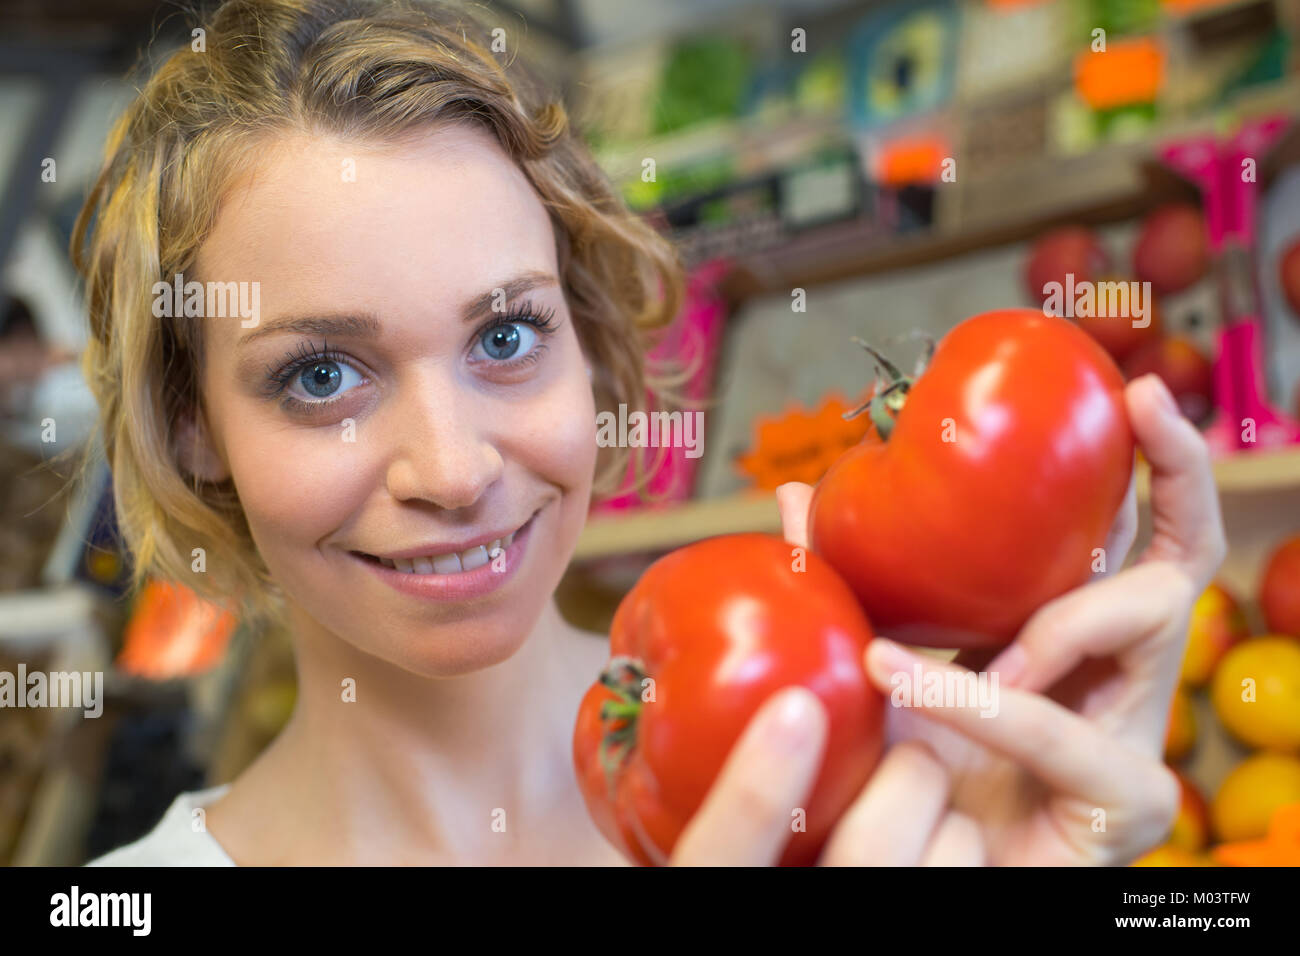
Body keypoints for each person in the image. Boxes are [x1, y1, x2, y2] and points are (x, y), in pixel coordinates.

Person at [80, 0, 1223, 866]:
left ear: (584, 338)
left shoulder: (880, 768)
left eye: (506, 335)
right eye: (320, 372)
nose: (456, 468)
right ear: (193, 430)